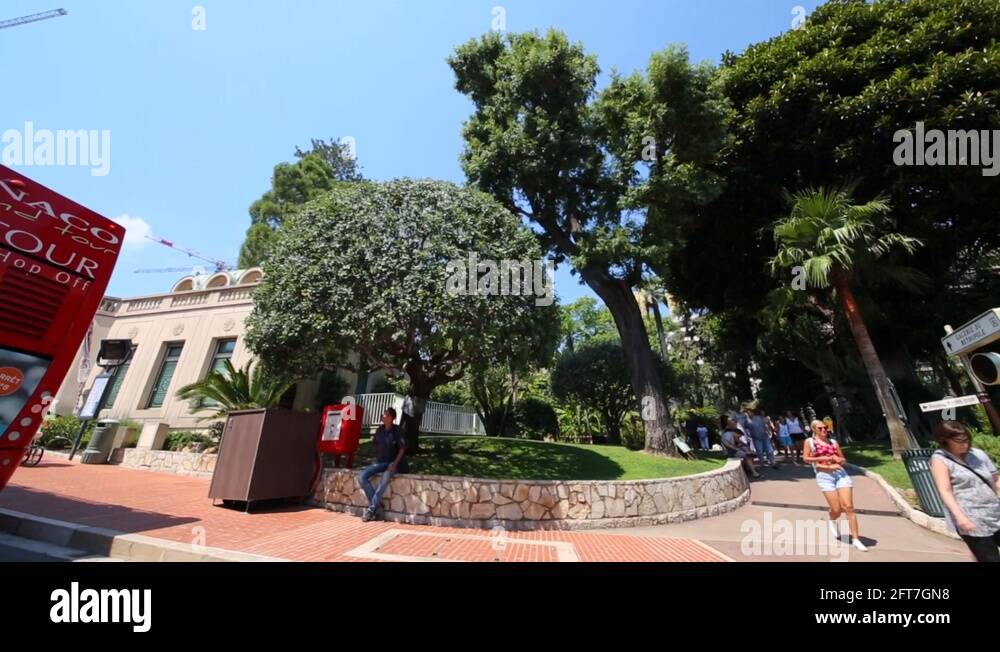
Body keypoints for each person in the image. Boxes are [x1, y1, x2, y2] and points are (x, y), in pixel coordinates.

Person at [929, 421, 1000, 562]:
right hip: (972, 517)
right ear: (945, 440)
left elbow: (995, 479)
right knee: (989, 557)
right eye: (959, 441)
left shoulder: (978, 455)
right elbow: (945, 490)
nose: (965, 444)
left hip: (994, 511)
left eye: (966, 439)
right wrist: (961, 518)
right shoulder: (940, 460)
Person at [803, 419, 867, 552]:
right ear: (814, 430)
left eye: (825, 428)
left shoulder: (833, 442)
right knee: (837, 509)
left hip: (840, 474)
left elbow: (843, 459)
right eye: (820, 428)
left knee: (848, 507)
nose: (824, 430)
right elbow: (806, 459)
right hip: (824, 477)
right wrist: (824, 459)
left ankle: (856, 539)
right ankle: (832, 518)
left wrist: (839, 460)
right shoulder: (810, 442)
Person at [357, 407, 407, 522]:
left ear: (391, 418)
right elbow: (376, 445)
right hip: (380, 463)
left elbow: (402, 449)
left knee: (384, 478)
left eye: (385, 415)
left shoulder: (397, 431)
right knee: (361, 476)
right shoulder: (379, 431)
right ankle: (378, 506)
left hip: (392, 464)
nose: (382, 416)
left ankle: (371, 510)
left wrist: (394, 464)